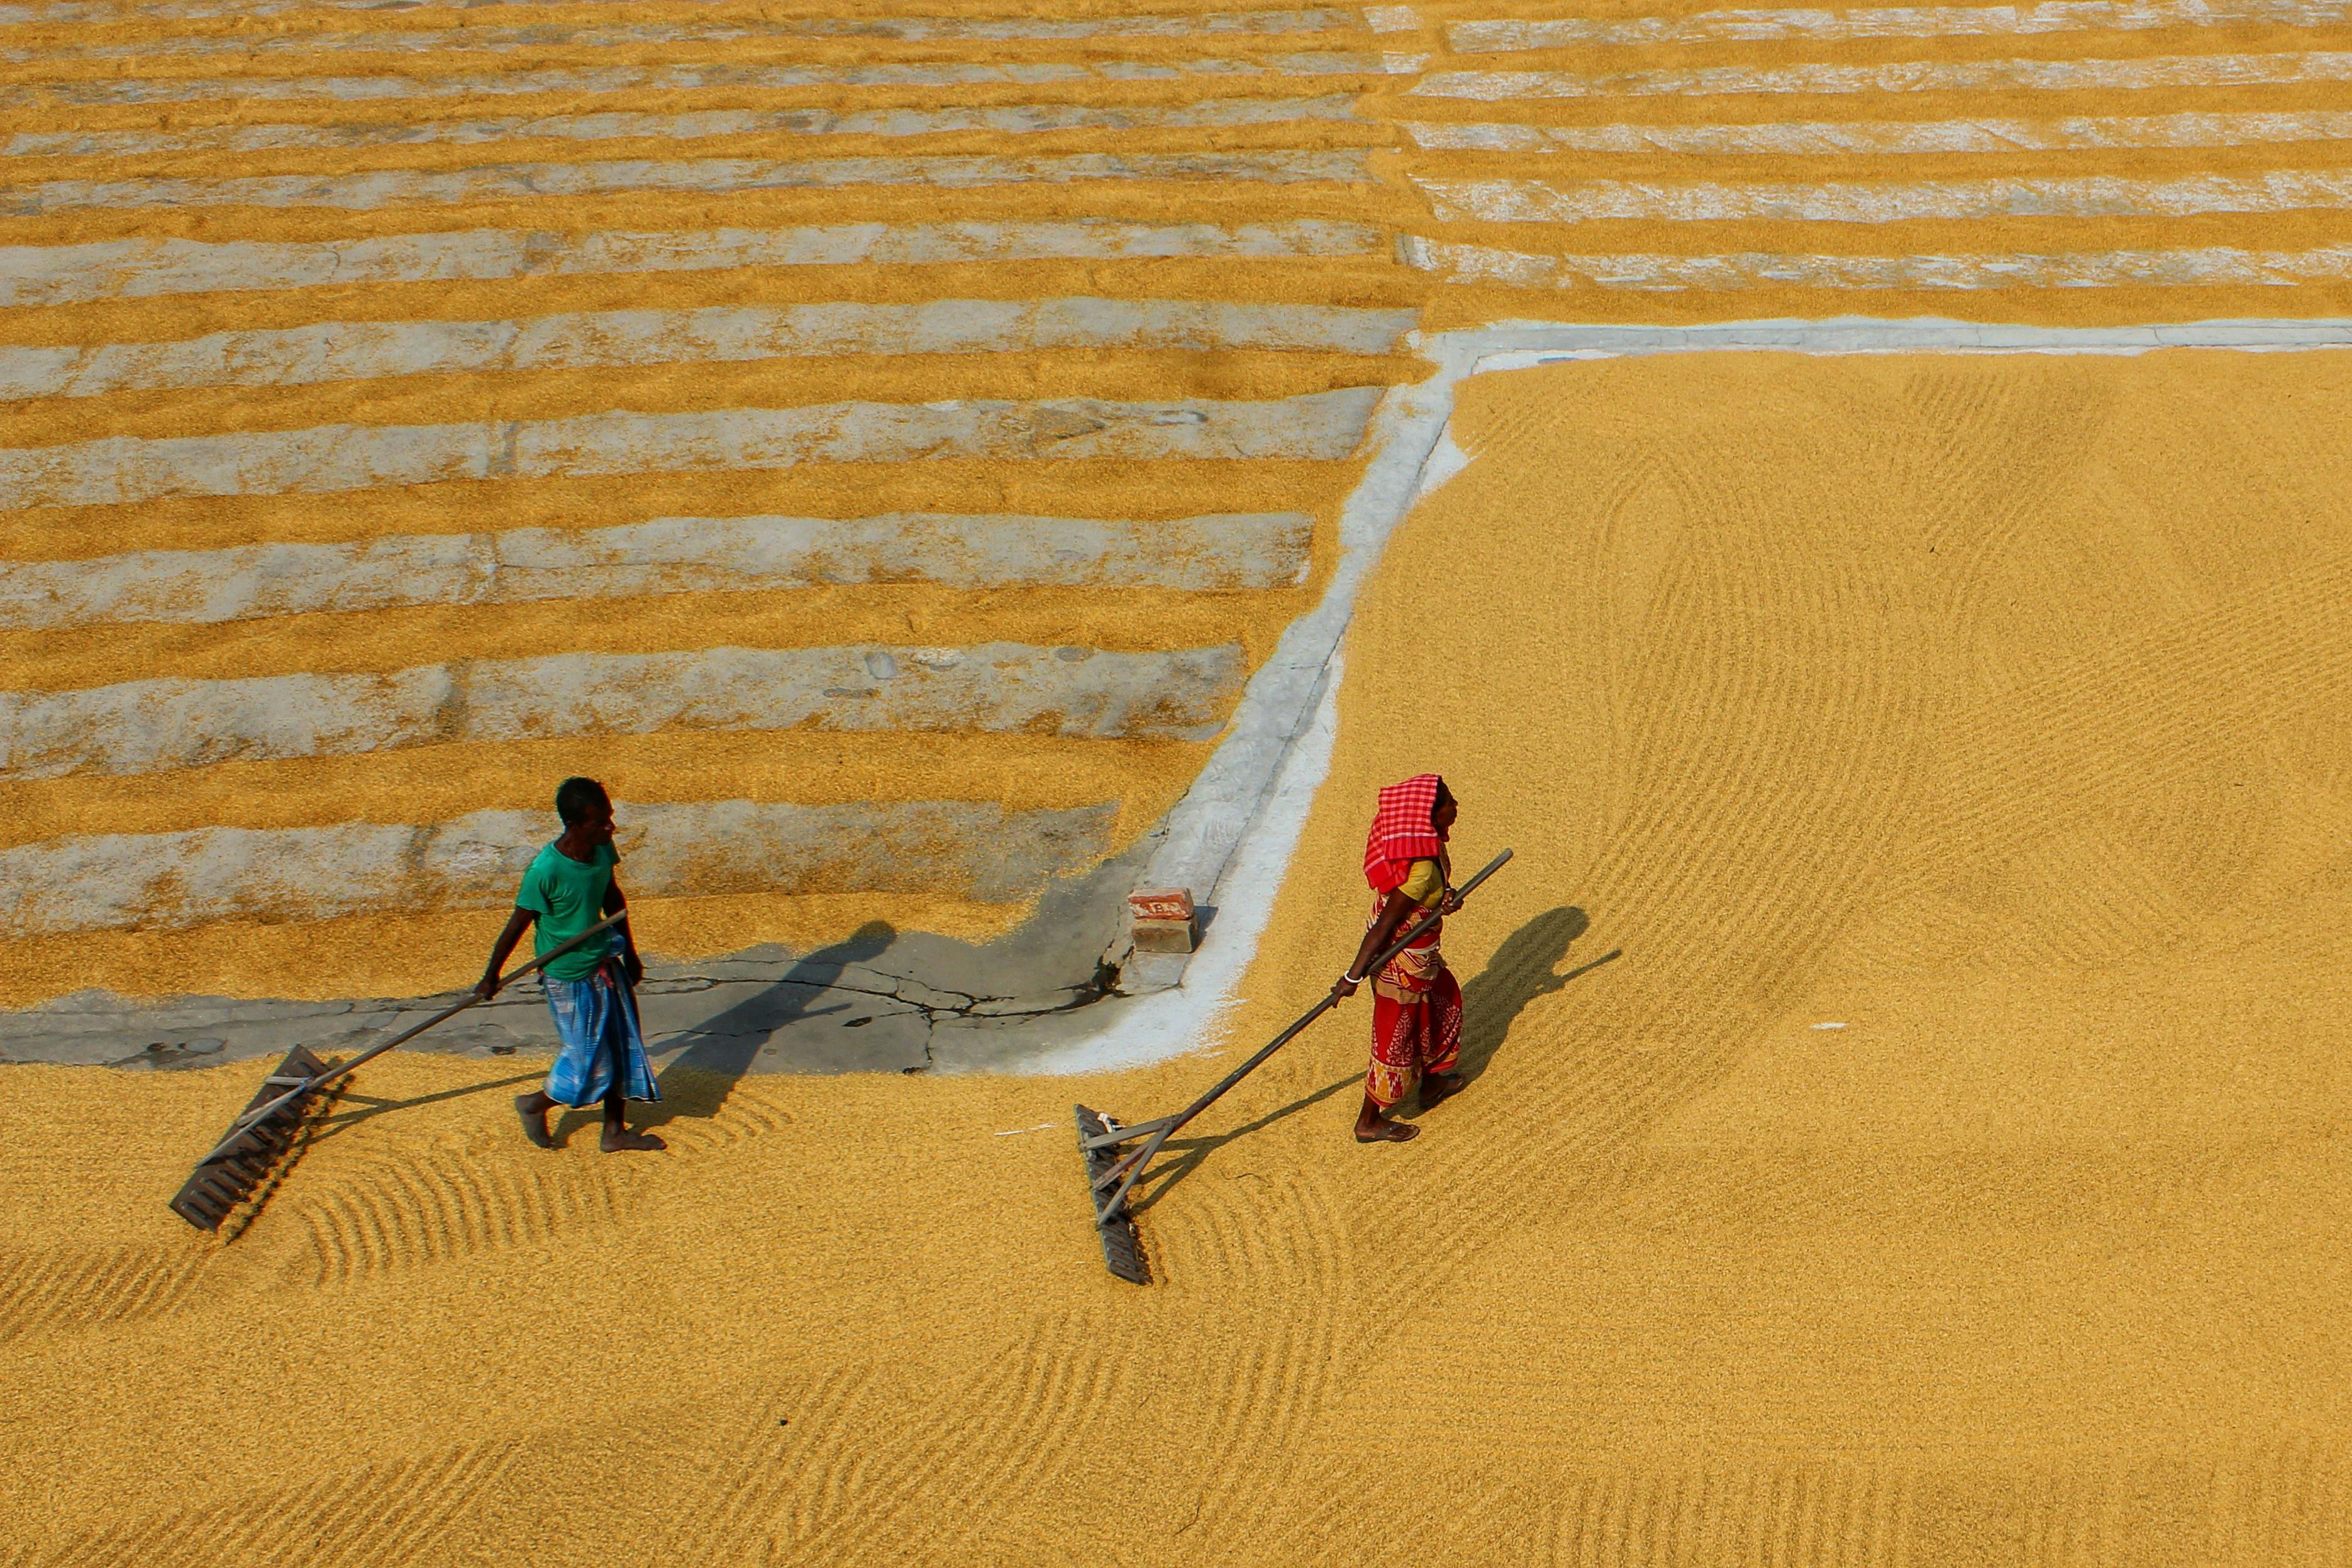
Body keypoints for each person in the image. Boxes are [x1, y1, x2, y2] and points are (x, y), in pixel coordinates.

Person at [475, 776, 665, 1153]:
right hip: (568, 975)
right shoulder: (545, 871)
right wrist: (490, 977)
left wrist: (631, 951)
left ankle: (614, 1132)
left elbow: (612, 899)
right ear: (575, 825)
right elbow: (516, 925)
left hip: (604, 961)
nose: (611, 827)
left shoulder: (602, 849)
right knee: (584, 1061)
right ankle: (533, 1105)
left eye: (610, 818)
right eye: (601, 822)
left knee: (619, 1044)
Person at [1331, 774, 1464, 1143]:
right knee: (1395, 1036)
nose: (1456, 807)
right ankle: (1369, 1121)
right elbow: (1384, 928)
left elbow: (1432, 898)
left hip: (1421, 957)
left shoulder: (1429, 845)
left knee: (1442, 1002)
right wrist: (1352, 978)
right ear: (1432, 814)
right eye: (1450, 803)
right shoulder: (1419, 871)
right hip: (1399, 964)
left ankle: (1433, 1081)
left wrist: (1447, 900)